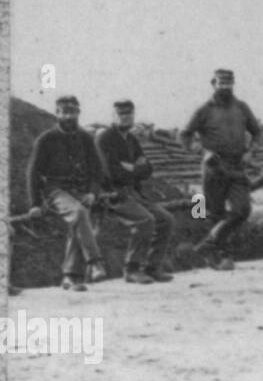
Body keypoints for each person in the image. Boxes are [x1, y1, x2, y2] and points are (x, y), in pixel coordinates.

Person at [180, 69, 263, 270]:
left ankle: (207, 245)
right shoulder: (204, 110)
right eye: (221, 83)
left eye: (228, 83)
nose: (225, 87)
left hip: (237, 165)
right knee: (214, 212)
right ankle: (218, 256)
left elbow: (258, 133)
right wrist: (202, 152)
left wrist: (251, 151)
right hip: (213, 167)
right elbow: (184, 135)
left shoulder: (242, 107)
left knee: (242, 209)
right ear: (213, 84)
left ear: (233, 84)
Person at [26, 95, 109, 291]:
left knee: (78, 222)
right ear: (57, 113)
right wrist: (35, 203)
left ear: (78, 113)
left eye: (72, 111)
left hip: (80, 191)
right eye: (64, 112)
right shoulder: (46, 140)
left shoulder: (86, 138)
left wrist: (93, 192)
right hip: (55, 191)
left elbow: (97, 169)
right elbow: (33, 172)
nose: (69, 116)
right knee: (79, 213)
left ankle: (70, 277)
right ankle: (95, 262)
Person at [94, 99, 175, 283]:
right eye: (121, 114)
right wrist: (135, 168)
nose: (126, 117)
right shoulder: (104, 138)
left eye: (129, 114)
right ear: (113, 116)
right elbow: (112, 173)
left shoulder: (131, 139)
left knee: (166, 220)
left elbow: (148, 169)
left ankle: (152, 268)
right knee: (145, 220)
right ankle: (131, 269)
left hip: (133, 192)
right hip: (112, 195)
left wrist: (131, 168)